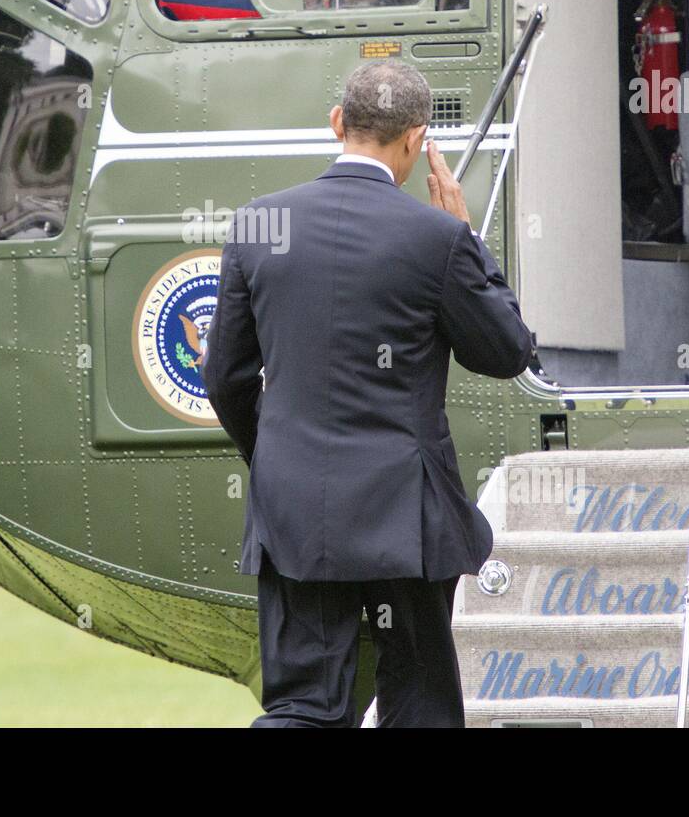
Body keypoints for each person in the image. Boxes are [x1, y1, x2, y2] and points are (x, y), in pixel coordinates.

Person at [202, 60, 534, 727]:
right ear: (416, 141)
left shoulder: (259, 225)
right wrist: (468, 236)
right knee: (419, 704)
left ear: (337, 123)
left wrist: (275, 453)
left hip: (295, 506)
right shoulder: (437, 238)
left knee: (301, 704)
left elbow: (225, 377)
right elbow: (507, 351)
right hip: (403, 519)